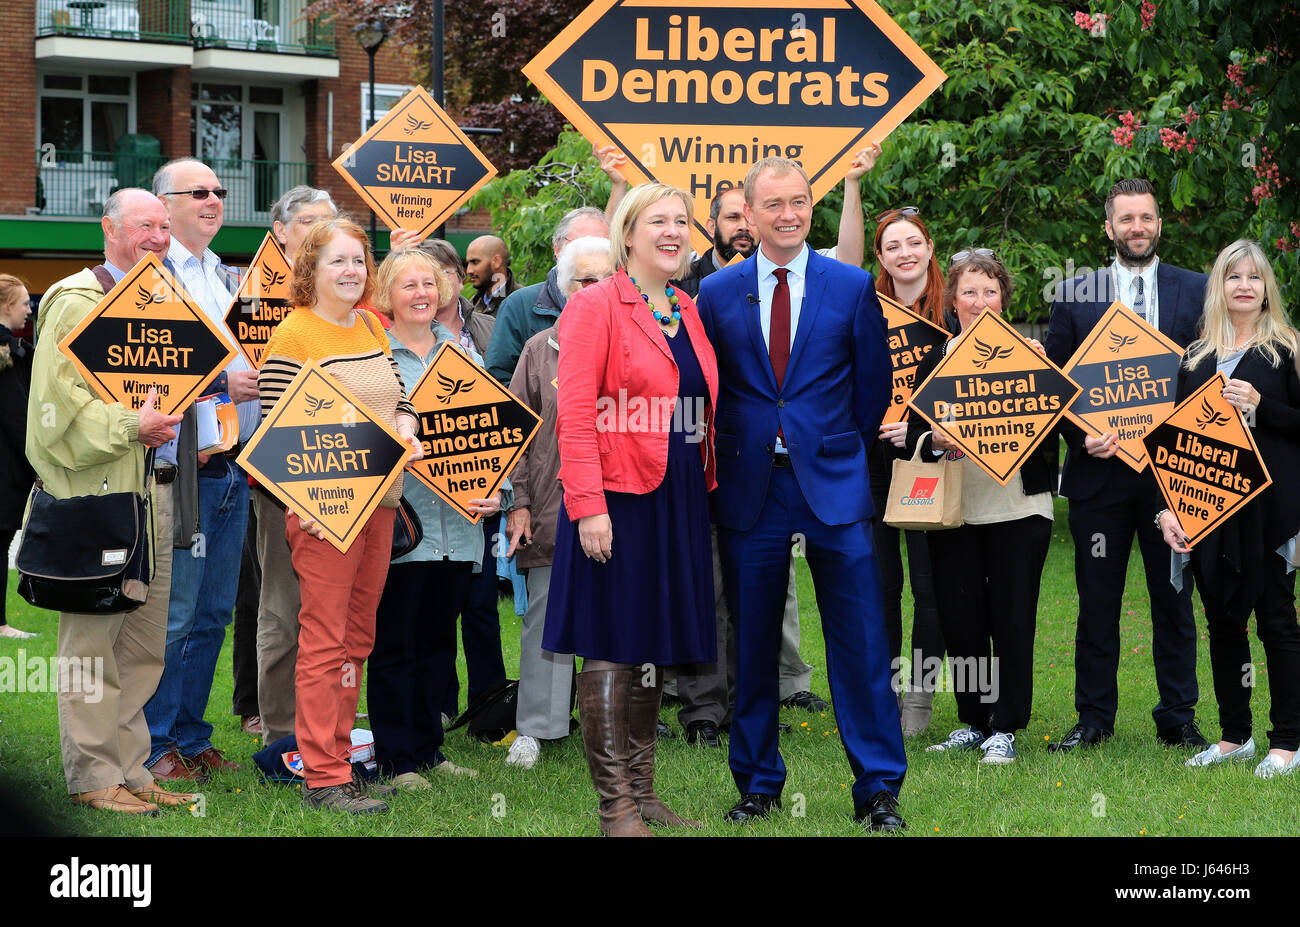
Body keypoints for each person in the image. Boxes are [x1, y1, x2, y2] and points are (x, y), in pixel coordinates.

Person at [697, 157, 905, 831]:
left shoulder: (850, 285)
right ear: (748, 215)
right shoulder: (718, 293)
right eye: (774, 204)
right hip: (749, 487)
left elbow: (873, 387)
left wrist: (839, 444)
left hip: (835, 482)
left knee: (861, 642)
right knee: (752, 643)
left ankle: (878, 788)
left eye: (799, 201)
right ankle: (757, 783)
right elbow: (709, 387)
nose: (788, 214)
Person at [545, 183, 719, 836]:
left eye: (682, 221)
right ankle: (613, 805)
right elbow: (577, 414)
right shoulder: (596, 305)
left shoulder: (686, 308)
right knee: (613, 646)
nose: (673, 231)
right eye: (658, 221)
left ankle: (644, 792)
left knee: (652, 641)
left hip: (674, 498)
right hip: (615, 496)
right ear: (627, 233)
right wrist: (588, 506)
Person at [27, 188, 188, 814]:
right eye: (144, 225)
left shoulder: (159, 301)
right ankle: (95, 776)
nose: (157, 237)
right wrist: (131, 428)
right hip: (96, 496)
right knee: (91, 646)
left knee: (143, 643)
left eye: (162, 228)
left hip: (153, 494)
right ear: (109, 229)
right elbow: (56, 412)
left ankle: (131, 768)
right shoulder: (77, 300)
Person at [258, 218, 423, 814]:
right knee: (325, 641)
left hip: (382, 504)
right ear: (312, 271)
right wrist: (312, 505)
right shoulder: (294, 335)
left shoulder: (375, 328)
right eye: (337, 262)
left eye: (359, 260)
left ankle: (341, 755)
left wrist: (406, 425)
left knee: (358, 637)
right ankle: (322, 777)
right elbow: (276, 434)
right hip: (326, 514)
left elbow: (400, 396)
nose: (352, 270)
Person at [1044, 178, 1209, 753]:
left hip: (1173, 476)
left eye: (1146, 218)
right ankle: (1093, 718)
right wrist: (1081, 433)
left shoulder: (1198, 289)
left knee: (1173, 599)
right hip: (1100, 476)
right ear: (1108, 227)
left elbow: (1207, 382)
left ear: (1159, 223)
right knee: (1097, 601)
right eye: (1126, 219)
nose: (1137, 228)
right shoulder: (1074, 293)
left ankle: (1177, 717)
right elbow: (1055, 388)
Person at [894, 251, 1054, 764]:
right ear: (952, 301)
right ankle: (972, 719)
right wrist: (935, 440)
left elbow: (1056, 426)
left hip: (1019, 507)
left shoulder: (1031, 354)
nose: (980, 302)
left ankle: (1005, 727)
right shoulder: (935, 358)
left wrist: (1040, 374)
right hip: (954, 509)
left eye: (990, 291)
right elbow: (913, 433)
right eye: (969, 292)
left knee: (1011, 618)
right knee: (960, 621)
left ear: (1004, 298)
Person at [1158, 240, 1300, 777]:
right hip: (1211, 513)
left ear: (1267, 290)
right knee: (1222, 623)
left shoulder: (1288, 348)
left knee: (1277, 623)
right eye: (1232, 276)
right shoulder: (1196, 356)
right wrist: (1167, 510)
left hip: (1273, 510)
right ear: (1217, 286)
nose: (1244, 285)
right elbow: (1173, 444)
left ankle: (1288, 740)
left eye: (1255, 277)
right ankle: (1234, 736)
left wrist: (1265, 408)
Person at [368, 247, 504, 789]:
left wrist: (500, 491)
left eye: (429, 283)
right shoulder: (375, 358)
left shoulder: (463, 356)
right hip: (404, 527)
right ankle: (397, 758)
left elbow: (492, 435)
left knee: (437, 647)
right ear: (387, 296)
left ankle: (429, 751)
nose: (422, 293)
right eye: (408, 285)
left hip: (461, 529)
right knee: (397, 645)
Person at [504, 235, 613, 769]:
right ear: (563, 289)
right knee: (545, 616)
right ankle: (536, 728)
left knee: (618, 614)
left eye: (603, 278)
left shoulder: (635, 342)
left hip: (619, 505)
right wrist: (518, 502)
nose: (593, 289)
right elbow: (515, 434)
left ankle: (614, 721)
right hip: (551, 508)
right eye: (582, 280)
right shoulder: (538, 348)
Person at [246, 186, 340, 746]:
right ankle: (282, 733)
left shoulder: (355, 308)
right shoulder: (259, 295)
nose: (319, 229)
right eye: (307, 221)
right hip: (286, 481)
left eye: (329, 221)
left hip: (350, 483)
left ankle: (326, 725)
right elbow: (275, 410)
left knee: (335, 617)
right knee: (283, 610)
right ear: (280, 231)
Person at [414, 238, 505, 725]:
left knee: (482, 603)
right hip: (423, 498)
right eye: (424, 276)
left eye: (445, 272)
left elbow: (509, 403)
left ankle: (491, 704)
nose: (437, 284)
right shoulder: (402, 338)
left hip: (482, 487)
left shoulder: (490, 326)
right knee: (433, 610)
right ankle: (440, 705)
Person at [871, 204, 947, 736]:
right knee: (880, 584)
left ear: (929, 249)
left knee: (929, 585)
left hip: (930, 460)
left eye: (913, 243)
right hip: (870, 460)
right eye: (893, 246)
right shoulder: (864, 308)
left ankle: (918, 701)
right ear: (880, 256)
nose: (905, 253)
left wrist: (919, 433)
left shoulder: (953, 314)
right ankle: (882, 695)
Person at [484, 206, 611, 384]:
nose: (591, 252)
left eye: (601, 245)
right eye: (579, 244)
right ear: (557, 250)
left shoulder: (627, 305)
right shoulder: (519, 305)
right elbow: (498, 380)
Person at [0, 274, 37, 640]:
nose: (29, 309)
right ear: (6, 304)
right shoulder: (8, 350)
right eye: (24, 302)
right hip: (6, 466)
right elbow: (16, 415)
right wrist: (39, 458)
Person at [465, 234, 520, 316]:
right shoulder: (472, 304)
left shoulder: (522, 301)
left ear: (497, 262)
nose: (469, 271)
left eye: (475, 262)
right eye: (467, 263)